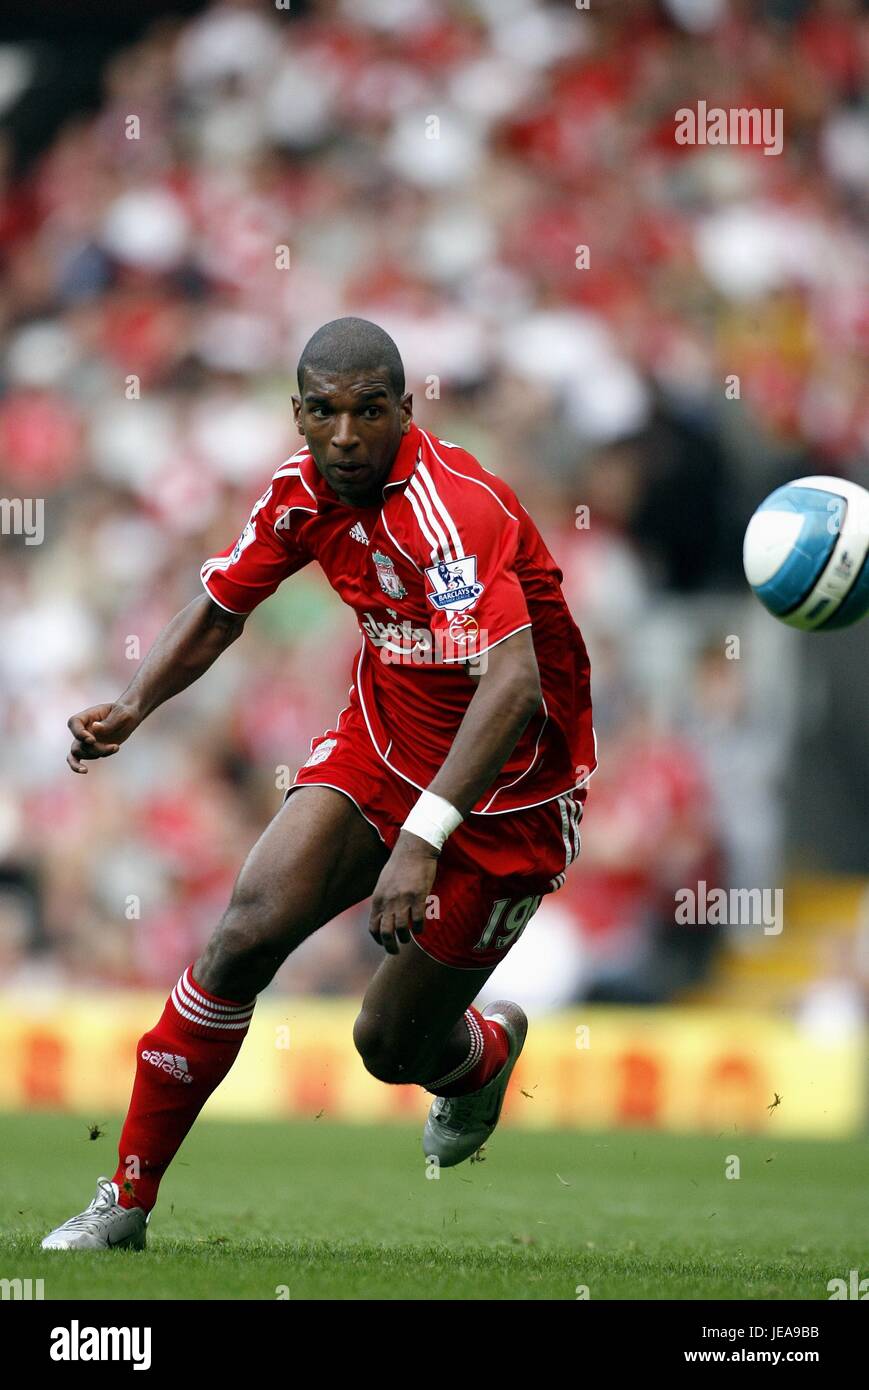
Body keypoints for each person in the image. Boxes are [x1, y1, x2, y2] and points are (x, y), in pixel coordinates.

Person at [42, 318, 595, 1251]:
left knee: (388, 1049)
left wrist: (422, 839)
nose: (345, 437)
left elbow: (511, 686)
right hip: (379, 752)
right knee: (241, 936)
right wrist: (134, 706)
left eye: (369, 412)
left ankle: (479, 1058)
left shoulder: (453, 509)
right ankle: (125, 1203)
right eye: (326, 413)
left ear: (404, 411)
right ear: (297, 413)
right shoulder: (301, 492)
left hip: (510, 798)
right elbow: (222, 607)